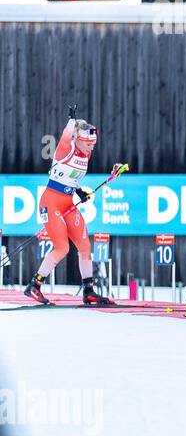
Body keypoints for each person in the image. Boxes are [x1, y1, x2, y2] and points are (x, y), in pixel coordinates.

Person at [23, 106, 114, 305]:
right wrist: (71, 121)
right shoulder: (67, 148)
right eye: (89, 143)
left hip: (67, 203)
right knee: (62, 248)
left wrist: (78, 190)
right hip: (51, 203)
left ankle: (88, 291)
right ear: (79, 139)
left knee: (84, 246)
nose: (92, 147)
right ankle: (34, 286)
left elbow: (72, 175)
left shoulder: (86, 155)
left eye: (94, 143)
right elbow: (65, 136)